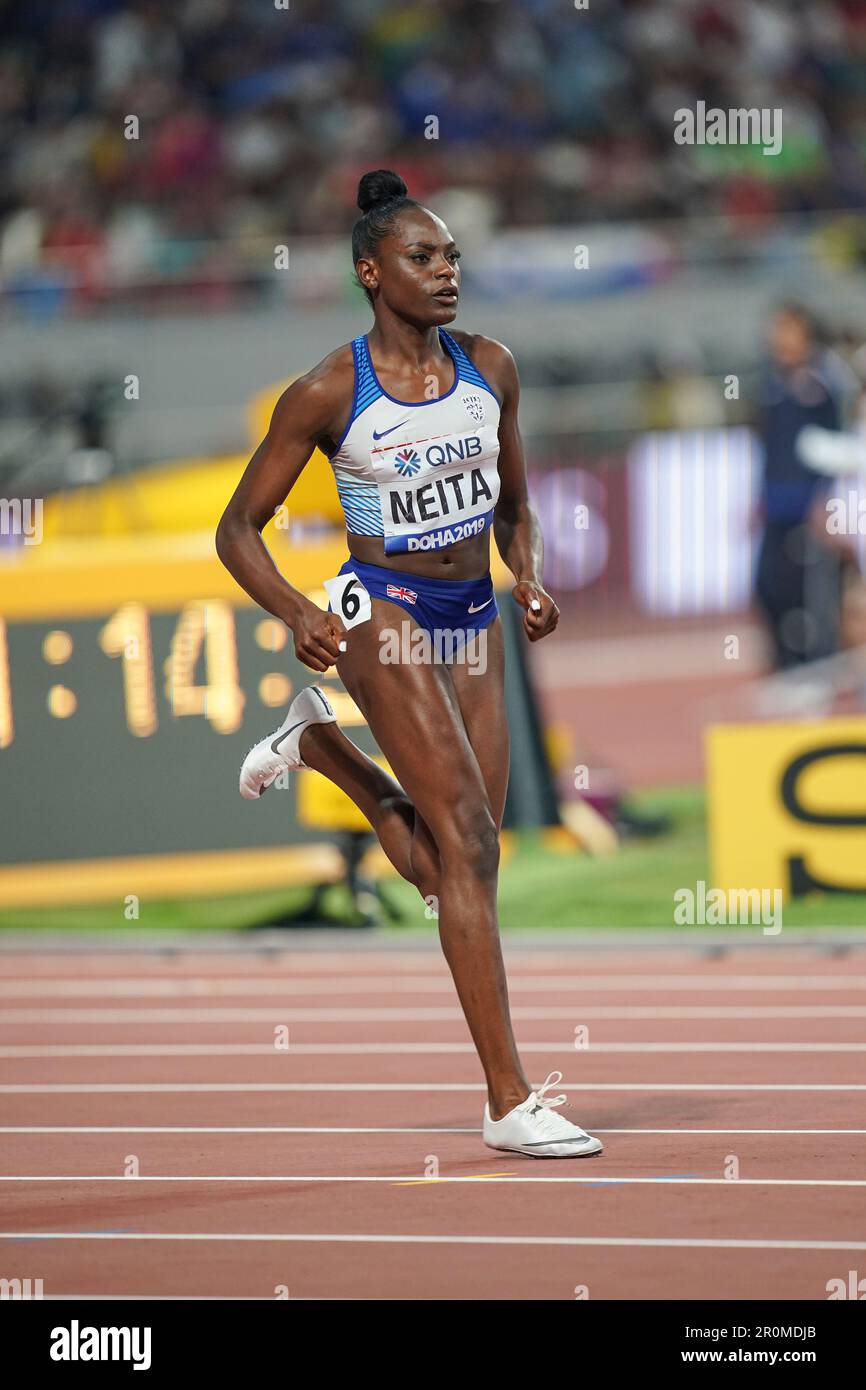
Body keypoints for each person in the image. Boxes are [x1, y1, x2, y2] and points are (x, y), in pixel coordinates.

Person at [216, 168, 602, 1159]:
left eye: (452, 258)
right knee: (467, 841)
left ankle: (322, 747)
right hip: (379, 612)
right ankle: (508, 1099)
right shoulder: (327, 390)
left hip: (471, 613)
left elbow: (514, 506)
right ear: (368, 271)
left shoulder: (490, 367)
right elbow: (238, 529)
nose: (445, 273)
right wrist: (295, 607)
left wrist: (528, 576)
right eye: (421, 258)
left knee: (462, 863)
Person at [754, 303, 846, 669]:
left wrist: (827, 501)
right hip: (776, 504)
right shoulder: (770, 383)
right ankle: (785, 664)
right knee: (767, 586)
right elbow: (769, 446)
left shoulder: (823, 381)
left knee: (812, 594)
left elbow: (839, 446)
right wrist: (758, 497)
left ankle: (817, 666)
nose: (778, 337)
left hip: (810, 507)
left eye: (787, 329)